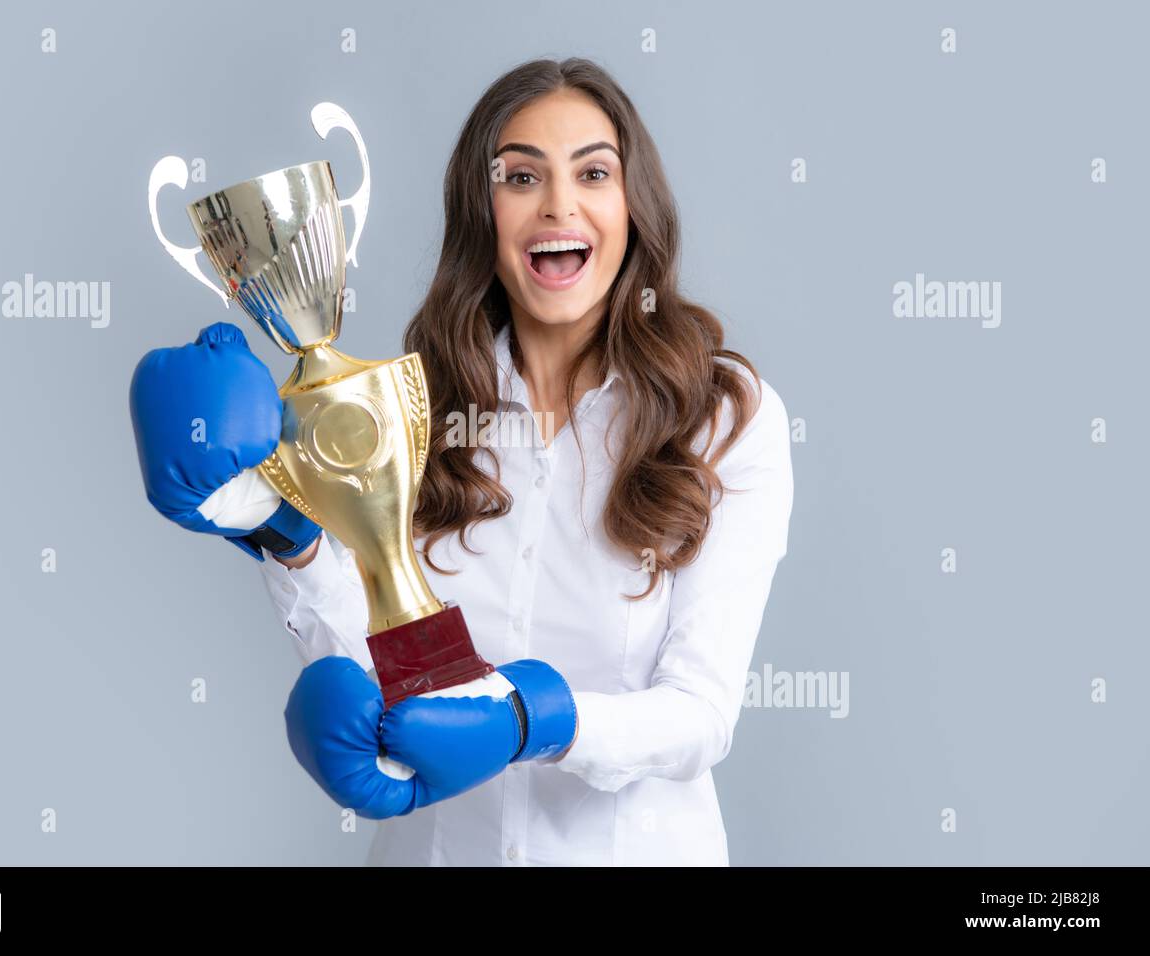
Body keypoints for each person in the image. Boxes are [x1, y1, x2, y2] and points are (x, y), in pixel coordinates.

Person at [130, 57, 793, 866]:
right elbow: (385, 671)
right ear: (483, 210)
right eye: (520, 176)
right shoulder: (415, 406)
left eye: (593, 171)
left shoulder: (723, 418)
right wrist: (283, 532)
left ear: (634, 205)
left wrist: (531, 720)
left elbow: (699, 714)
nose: (558, 203)